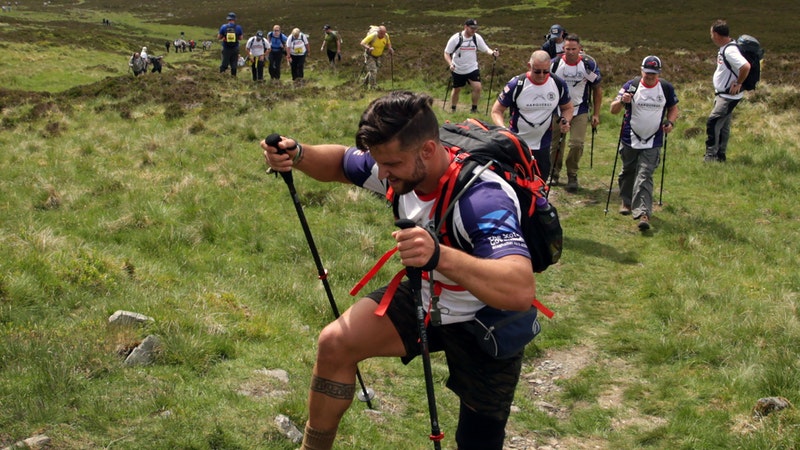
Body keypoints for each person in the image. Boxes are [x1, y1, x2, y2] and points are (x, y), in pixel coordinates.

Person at [261, 91, 537, 450]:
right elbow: (343, 163)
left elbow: (519, 290)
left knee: (478, 437)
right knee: (335, 344)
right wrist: (298, 154)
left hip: (488, 314)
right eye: (379, 162)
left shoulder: (483, 199)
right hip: (427, 293)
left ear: (427, 150)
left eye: (390, 164)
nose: (382, 172)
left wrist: (439, 255)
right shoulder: (396, 166)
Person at [610, 56, 679, 231]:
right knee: (628, 171)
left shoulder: (665, 88)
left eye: (653, 74)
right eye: (647, 73)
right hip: (629, 138)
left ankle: (643, 213)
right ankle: (626, 202)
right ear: (641, 71)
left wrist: (670, 123)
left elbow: (673, 108)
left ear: (659, 73)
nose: (650, 76)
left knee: (645, 175)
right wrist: (621, 101)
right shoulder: (631, 86)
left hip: (653, 140)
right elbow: (613, 109)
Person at [491, 50, 573, 179]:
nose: (542, 75)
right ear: (529, 66)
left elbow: (567, 107)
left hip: (543, 144)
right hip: (517, 144)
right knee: (517, 183)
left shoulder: (558, 84)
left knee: (540, 184)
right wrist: (503, 129)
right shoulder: (517, 84)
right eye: (537, 71)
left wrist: (565, 120)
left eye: (546, 71)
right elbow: (496, 110)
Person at [548, 34, 602, 192]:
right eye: (567, 49)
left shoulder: (587, 66)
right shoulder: (554, 65)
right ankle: (554, 173)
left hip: (580, 109)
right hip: (558, 110)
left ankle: (572, 174)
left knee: (577, 144)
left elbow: (597, 89)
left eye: (574, 49)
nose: (570, 52)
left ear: (580, 49)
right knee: (555, 144)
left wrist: (596, 114)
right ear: (563, 49)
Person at [705, 19, 751, 163]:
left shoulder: (730, 50)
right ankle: (720, 156)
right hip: (725, 95)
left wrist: (738, 83)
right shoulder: (728, 47)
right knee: (723, 126)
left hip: (727, 97)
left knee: (713, 123)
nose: (711, 37)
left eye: (712, 34)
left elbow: (746, 66)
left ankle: (711, 157)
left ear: (717, 34)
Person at [443, 19, 499, 114]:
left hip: (472, 68)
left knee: (477, 87)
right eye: (472, 28)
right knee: (457, 89)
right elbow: (446, 53)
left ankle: (474, 109)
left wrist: (493, 53)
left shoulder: (476, 38)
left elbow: (485, 49)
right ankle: (453, 108)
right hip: (458, 68)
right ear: (465, 27)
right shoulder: (456, 38)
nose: (474, 30)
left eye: (475, 28)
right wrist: (450, 64)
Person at [217, 12, 243, 77]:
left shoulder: (223, 27)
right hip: (235, 48)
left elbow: (219, 37)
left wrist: (224, 37)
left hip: (226, 48)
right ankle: (233, 78)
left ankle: (221, 77)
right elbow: (241, 38)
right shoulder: (238, 28)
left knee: (224, 64)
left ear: (228, 19)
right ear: (234, 19)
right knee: (234, 65)